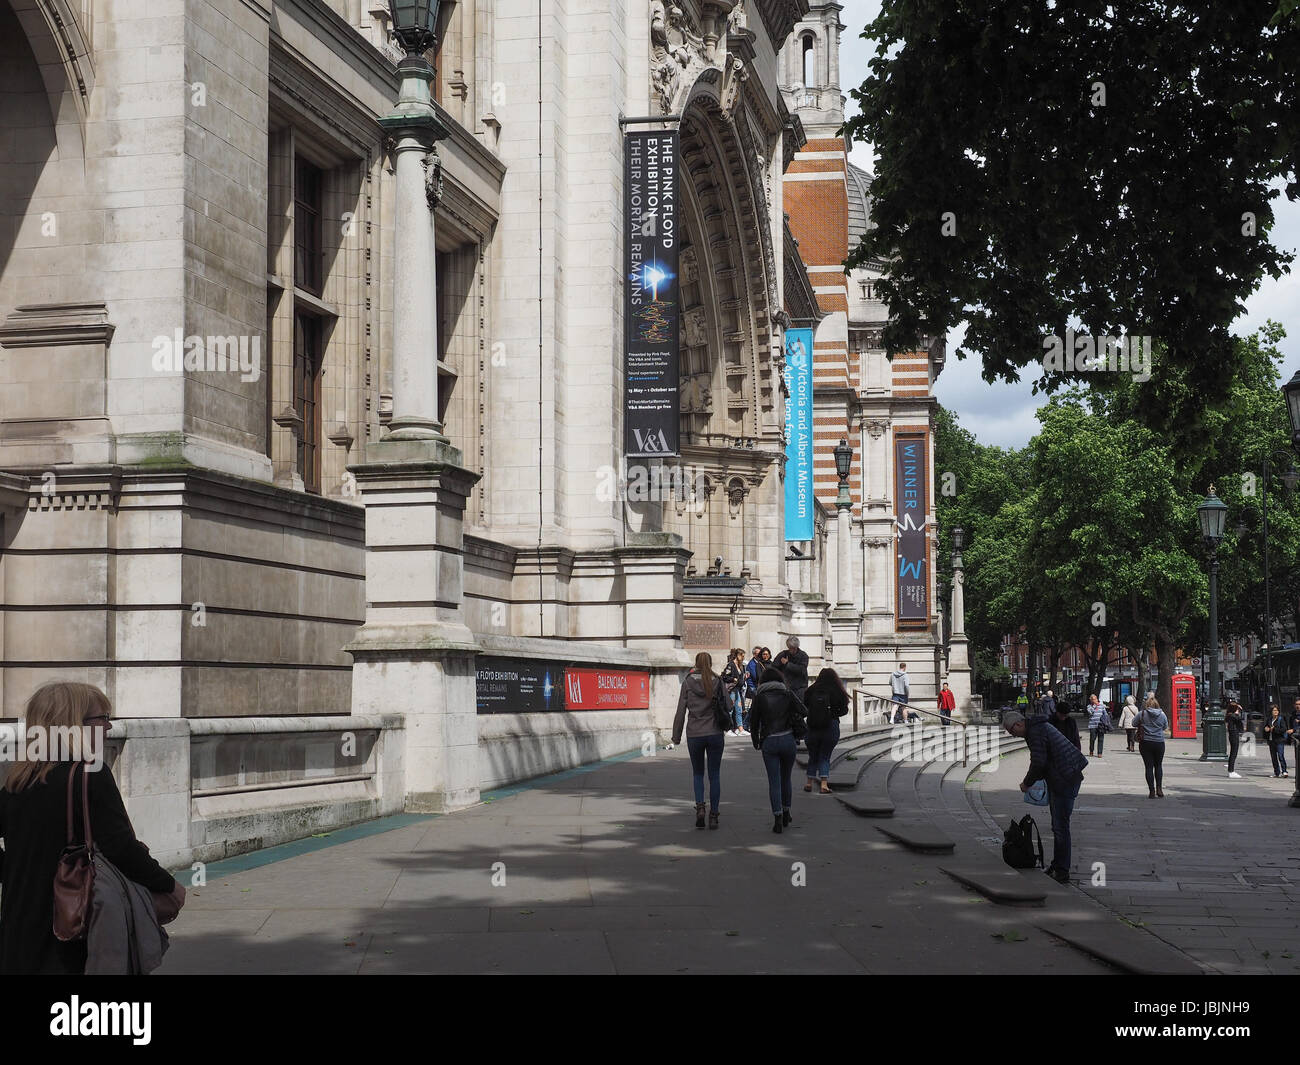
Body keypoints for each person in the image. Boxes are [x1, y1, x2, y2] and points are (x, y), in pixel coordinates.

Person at [0, 681, 185, 974]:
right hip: (74, 925)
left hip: (18, 924)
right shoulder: (90, 775)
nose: (109, 728)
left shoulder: (16, 781)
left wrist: (14, 871)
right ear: (74, 725)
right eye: (103, 718)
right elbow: (122, 848)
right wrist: (167, 884)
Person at [1002, 709, 1089, 883]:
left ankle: (1062, 870)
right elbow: (1043, 759)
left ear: (1018, 724)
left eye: (1012, 731)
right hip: (1065, 776)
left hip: (1065, 778)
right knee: (1058, 826)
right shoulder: (1037, 728)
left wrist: (1027, 783)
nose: (1013, 735)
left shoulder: (1035, 731)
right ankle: (1057, 865)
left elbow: (1039, 762)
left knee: (1060, 827)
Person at [672, 652, 726, 829]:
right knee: (715, 775)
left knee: (697, 773)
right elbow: (728, 706)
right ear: (710, 663)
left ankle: (700, 807)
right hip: (715, 732)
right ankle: (714, 814)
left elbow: (681, 710)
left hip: (695, 733)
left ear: (696, 663)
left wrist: (676, 735)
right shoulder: (717, 680)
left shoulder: (688, 682)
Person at [750, 667, 806, 833]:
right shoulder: (787, 693)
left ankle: (778, 818)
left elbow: (753, 723)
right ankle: (787, 810)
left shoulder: (759, 697)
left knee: (774, 781)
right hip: (788, 739)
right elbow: (803, 711)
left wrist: (756, 742)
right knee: (786, 778)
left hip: (769, 741)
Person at [803, 668, 849, 793]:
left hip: (812, 725)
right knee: (825, 755)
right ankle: (823, 785)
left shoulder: (811, 689)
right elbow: (845, 709)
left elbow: (804, 705)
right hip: (831, 725)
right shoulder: (837, 690)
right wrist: (833, 714)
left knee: (813, 755)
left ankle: (809, 782)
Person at [1138, 694, 1169, 797]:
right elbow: (1165, 726)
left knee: (1148, 767)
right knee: (1158, 765)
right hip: (1159, 742)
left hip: (1145, 742)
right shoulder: (1162, 715)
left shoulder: (1142, 713)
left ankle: (1151, 791)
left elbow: (1133, 723)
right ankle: (1159, 789)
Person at [774, 636, 810, 703]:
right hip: (786, 687)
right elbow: (774, 667)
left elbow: (801, 670)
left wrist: (787, 664)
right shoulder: (783, 654)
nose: (791, 650)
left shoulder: (803, 656)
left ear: (796, 647)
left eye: (793, 648)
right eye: (789, 648)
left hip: (800, 688)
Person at [719, 648, 747, 736]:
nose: (743, 657)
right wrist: (733, 679)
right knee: (730, 709)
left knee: (739, 709)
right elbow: (724, 677)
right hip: (731, 690)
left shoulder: (741, 665)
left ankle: (740, 728)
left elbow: (740, 678)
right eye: (742, 656)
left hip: (737, 690)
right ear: (737, 655)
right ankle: (728, 729)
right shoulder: (731, 665)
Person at [1264, 704, 1290, 779]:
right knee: (1273, 757)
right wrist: (1266, 729)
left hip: (1279, 740)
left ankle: (1284, 771)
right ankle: (1277, 772)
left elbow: (1283, 729)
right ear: (1271, 712)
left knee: (1280, 756)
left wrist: (1274, 729)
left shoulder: (1280, 719)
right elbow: (1266, 727)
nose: (1275, 712)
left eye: (1277, 710)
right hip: (1271, 741)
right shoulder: (1269, 719)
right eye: (1274, 710)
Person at [1085, 693, 1109, 758]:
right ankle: (1091, 751)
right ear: (1090, 700)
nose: (1094, 700)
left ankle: (1099, 753)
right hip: (1092, 725)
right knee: (1092, 739)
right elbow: (1091, 712)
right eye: (1092, 699)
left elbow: (1105, 714)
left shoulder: (1102, 706)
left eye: (1095, 699)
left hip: (1101, 725)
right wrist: (1095, 706)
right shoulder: (1089, 706)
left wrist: (1106, 721)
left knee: (1101, 739)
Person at [1225, 700, 1244, 778]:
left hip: (1233, 734)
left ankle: (1230, 768)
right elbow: (1241, 719)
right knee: (1234, 753)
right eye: (1236, 708)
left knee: (1233, 753)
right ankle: (1231, 771)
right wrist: (1241, 711)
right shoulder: (1233, 716)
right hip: (1234, 734)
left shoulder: (1229, 715)